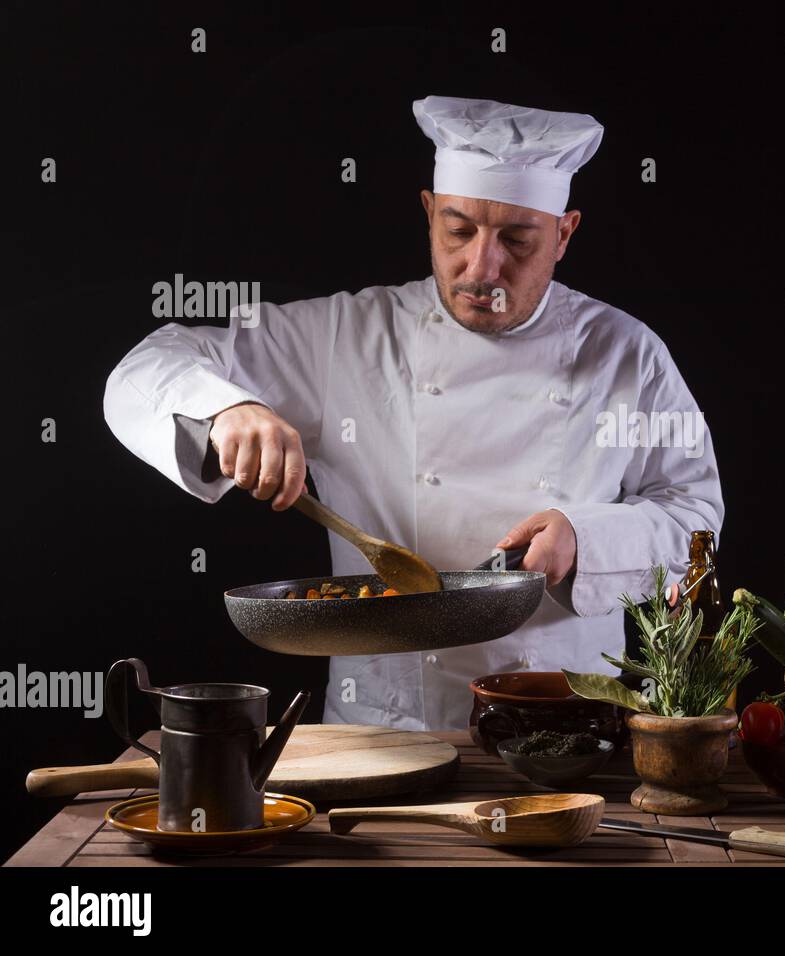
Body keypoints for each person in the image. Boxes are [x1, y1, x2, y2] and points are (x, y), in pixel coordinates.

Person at [103, 94, 723, 731]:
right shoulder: (345, 337)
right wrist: (226, 408)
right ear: (429, 212)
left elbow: (695, 517)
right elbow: (143, 371)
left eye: (517, 240)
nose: (482, 267)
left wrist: (587, 540)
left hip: (565, 731)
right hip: (383, 731)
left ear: (564, 233)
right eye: (459, 231)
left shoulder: (626, 352)